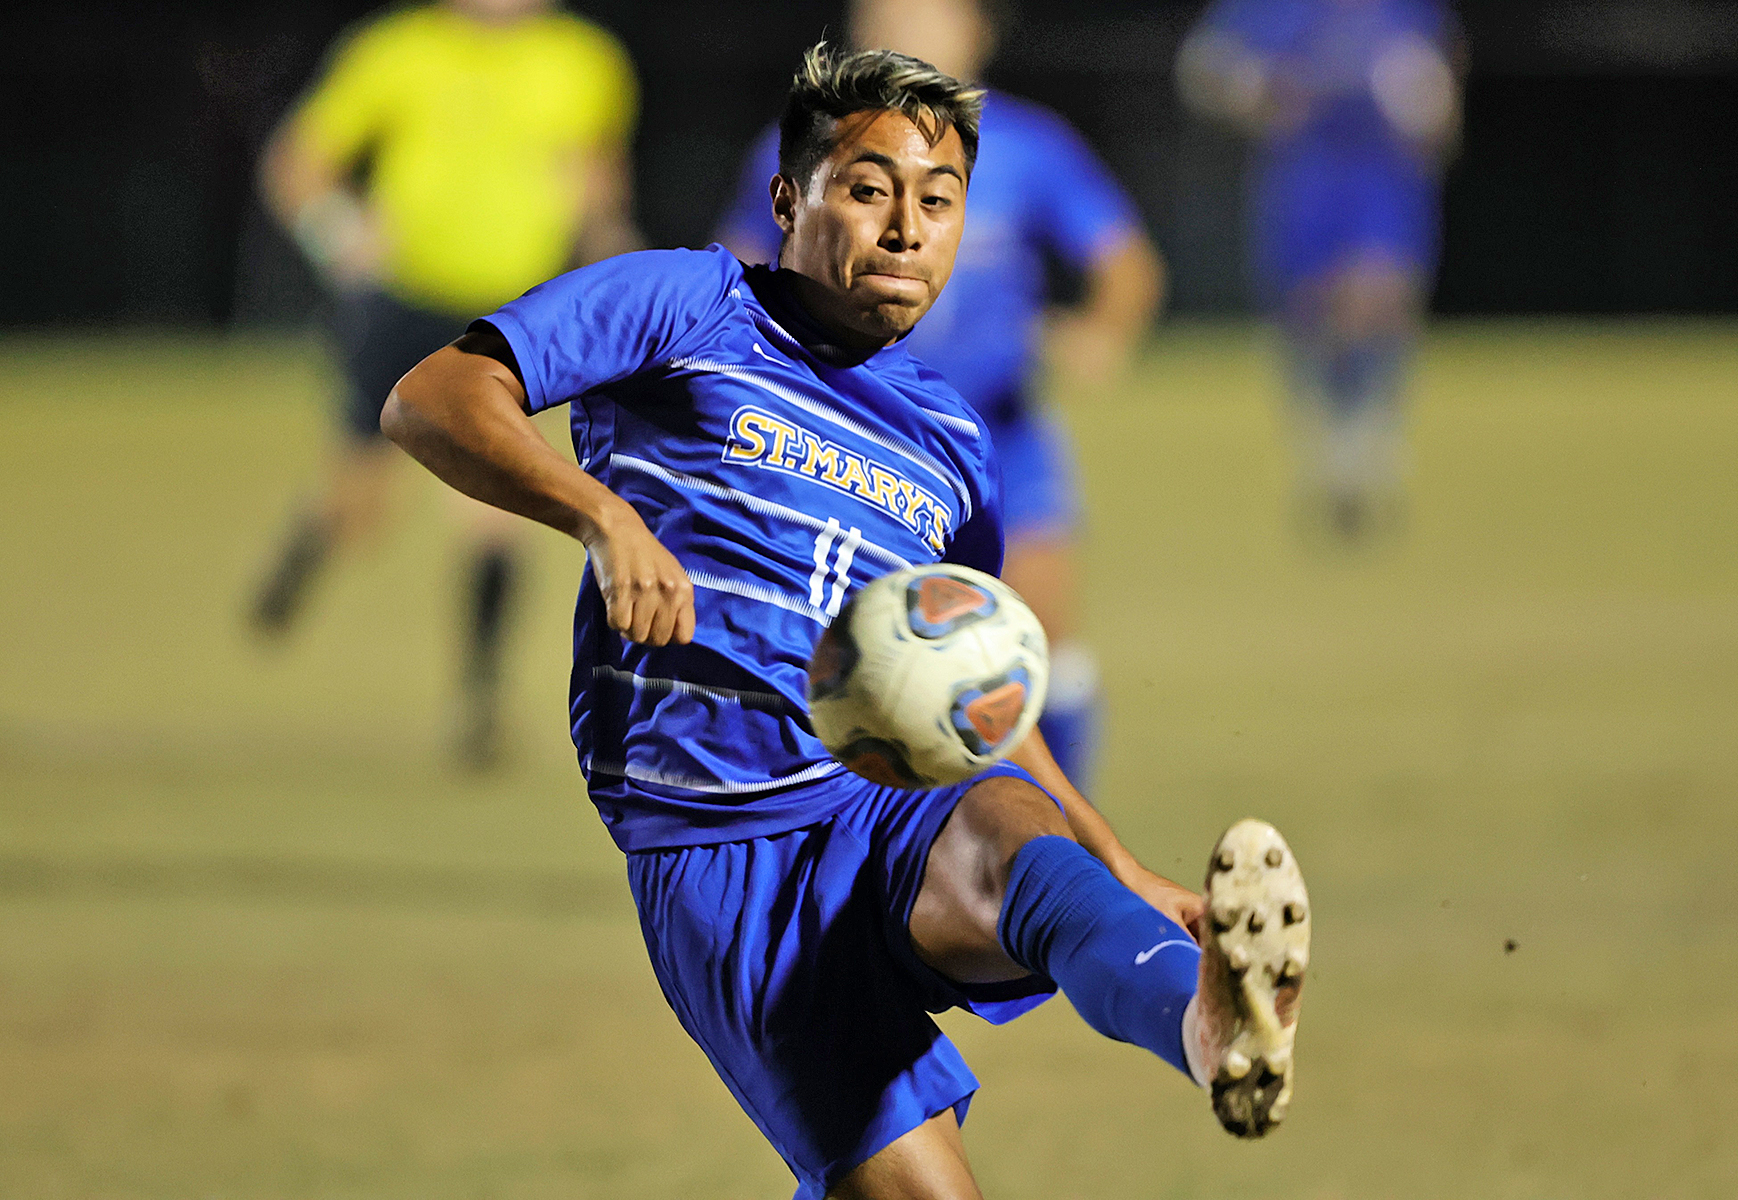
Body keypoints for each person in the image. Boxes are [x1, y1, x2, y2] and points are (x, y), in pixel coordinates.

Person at [382, 44, 1310, 1200]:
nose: (907, 229)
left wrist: (1116, 858)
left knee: (1018, 838)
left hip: (881, 803)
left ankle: (1206, 1022)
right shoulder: (688, 303)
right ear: (789, 200)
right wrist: (602, 518)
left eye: (939, 200)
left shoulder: (952, 444)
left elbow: (975, 686)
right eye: (869, 189)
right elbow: (433, 397)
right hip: (722, 854)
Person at [718, 0, 1166, 793]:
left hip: (998, 437)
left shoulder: (1029, 147)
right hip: (847, 439)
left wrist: (1102, 329)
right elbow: (738, 267)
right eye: (892, 16)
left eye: (934, 16)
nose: (913, 33)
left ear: (977, 33)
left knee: (1044, 638)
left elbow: (1126, 262)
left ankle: (1067, 836)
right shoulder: (811, 146)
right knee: (838, 652)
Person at [248, 0, 639, 765]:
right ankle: (312, 540)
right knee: (358, 507)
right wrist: (340, 238)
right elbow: (295, 166)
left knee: (494, 504)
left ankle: (478, 701)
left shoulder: (586, 59)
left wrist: (614, 270)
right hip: (402, 302)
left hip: (507, 312)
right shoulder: (396, 49)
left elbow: (596, 185)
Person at [1177, 0, 1461, 541]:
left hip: (1383, 170)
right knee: (1313, 311)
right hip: (1305, 170)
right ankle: (1327, 449)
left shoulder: (1405, 9)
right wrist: (1259, 93)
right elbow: (1206, 68)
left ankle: (1370, 445)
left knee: (1380, 297)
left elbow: (1439, 86)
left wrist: (1429, 106)